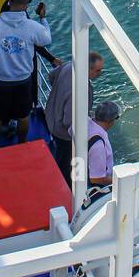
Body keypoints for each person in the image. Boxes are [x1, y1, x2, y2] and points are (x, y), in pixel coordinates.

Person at [0, 0, 52, 148]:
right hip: (23, 81)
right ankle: (22, 145)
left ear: (9, 2)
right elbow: (47, 38)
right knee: (23, 116)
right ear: (26, 6)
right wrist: (42, 17)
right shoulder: (32, 26)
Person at [44, 50, 105, 182]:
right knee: (66, 162)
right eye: (98, 70)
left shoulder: (68, 66)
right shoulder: (79, 89)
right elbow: (69, 122)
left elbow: (51, 76)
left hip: (50, 117)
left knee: (60, 154)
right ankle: (67, 186)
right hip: (63, 133)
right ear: (88, 68)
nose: (100, 74)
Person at [1, 0, 61, 108]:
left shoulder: (6, 7)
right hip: (24, 62)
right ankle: (29, 110)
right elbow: (40, 39)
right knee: (27, 93)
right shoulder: (22, 17)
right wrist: (42, 17)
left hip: (7, 59)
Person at [82, 101, 121, 204]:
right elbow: (97, 179)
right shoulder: (98, 145)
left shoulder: (84, 121)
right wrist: (118, 181)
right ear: (110, 120)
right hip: (98, 187)